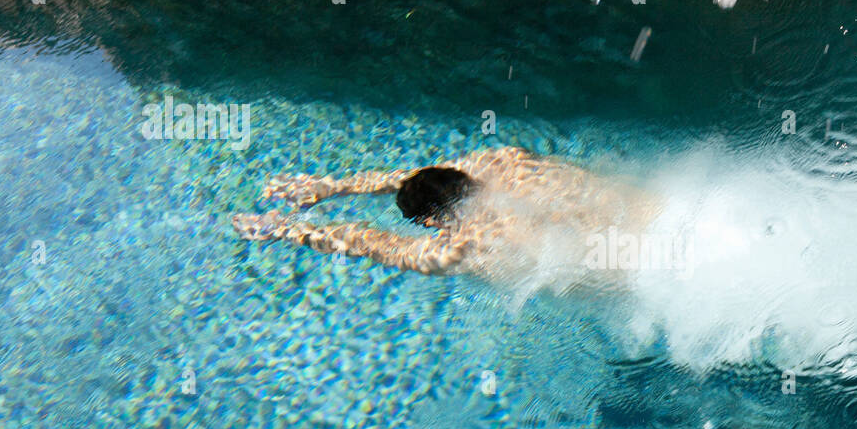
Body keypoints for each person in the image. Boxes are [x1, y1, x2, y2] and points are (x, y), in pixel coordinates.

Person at [231, 146, 662, 284]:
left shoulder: (457, 247)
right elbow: (417, 178)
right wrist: (331, 186)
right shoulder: (505, 161)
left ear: (433, 223)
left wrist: (286, 230)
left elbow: (372, 244)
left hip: (638, 275)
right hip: (660, 216)